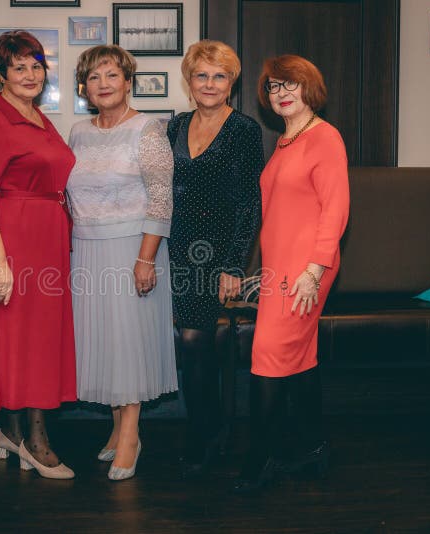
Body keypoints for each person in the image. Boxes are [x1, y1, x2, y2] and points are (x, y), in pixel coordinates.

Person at [233, 54, 350, 493]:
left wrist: (314, 271)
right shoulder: (285, 140)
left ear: (309, 88)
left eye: (290, 85)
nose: (280, 94)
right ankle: (312, 452)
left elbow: (335, 208)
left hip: (307, 267)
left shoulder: (325, 138)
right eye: (273, 87)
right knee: (297, 358)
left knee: (266, 353)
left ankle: (259, 459)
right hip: (278, 267)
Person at [0, 30, 76, 480]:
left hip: (47, 240)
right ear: (2, 75)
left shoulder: (39, 118)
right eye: (19, 67)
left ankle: (9, 434)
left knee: (36, 338)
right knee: (19, 338)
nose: (29, 75)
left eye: (36, 66)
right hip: (12, 242)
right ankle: (34, 441)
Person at [67, 45, 177, 481]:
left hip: (133, 248)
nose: (104, 84)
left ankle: (131, 435)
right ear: (85, 88)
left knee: (128, 340)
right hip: (87, 250)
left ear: (127, 81)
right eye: (94, 78)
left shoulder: (148, 130)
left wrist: (145, 259)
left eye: (112, 75)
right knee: (105, 339)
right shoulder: (77, 131)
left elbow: (162, 198)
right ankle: (115, 429)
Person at [167, 40, 263, 478]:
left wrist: (232, 265)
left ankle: (205, 434)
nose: (209, 83)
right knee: (190, 343)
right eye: (201, 75)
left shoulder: (243, 130)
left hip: (217, 251)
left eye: (219, 75)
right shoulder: (174, 127)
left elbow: (249, 203)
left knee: (193, 340)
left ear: (231, 83)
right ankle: (208, 426)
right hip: (175, 247)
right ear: (189, 82)